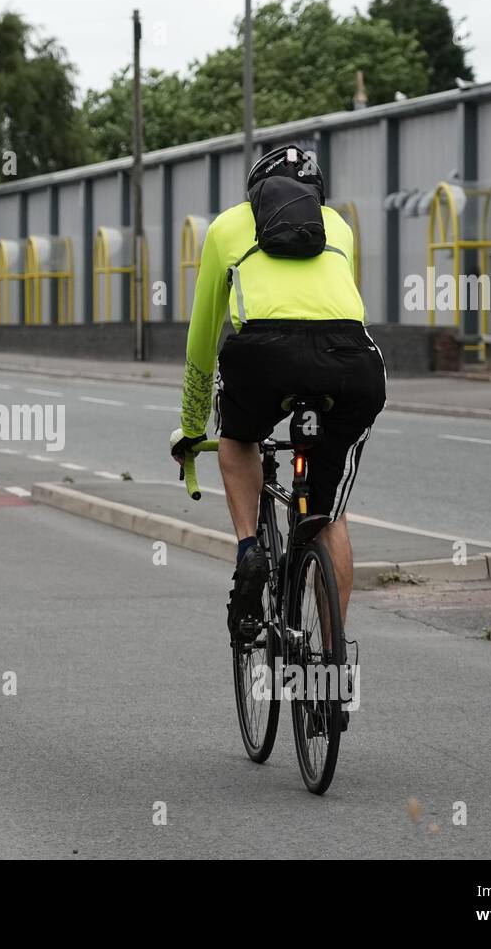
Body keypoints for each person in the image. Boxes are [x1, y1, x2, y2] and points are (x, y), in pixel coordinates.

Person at [170, 144, 386, 642]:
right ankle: (334, 668)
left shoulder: (226, 227)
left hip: (264, 357)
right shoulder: (340, 226)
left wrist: (193, 425)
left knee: (238, 440)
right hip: (351, 360)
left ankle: (250, 552)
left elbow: (202, 338)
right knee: (329, 512)